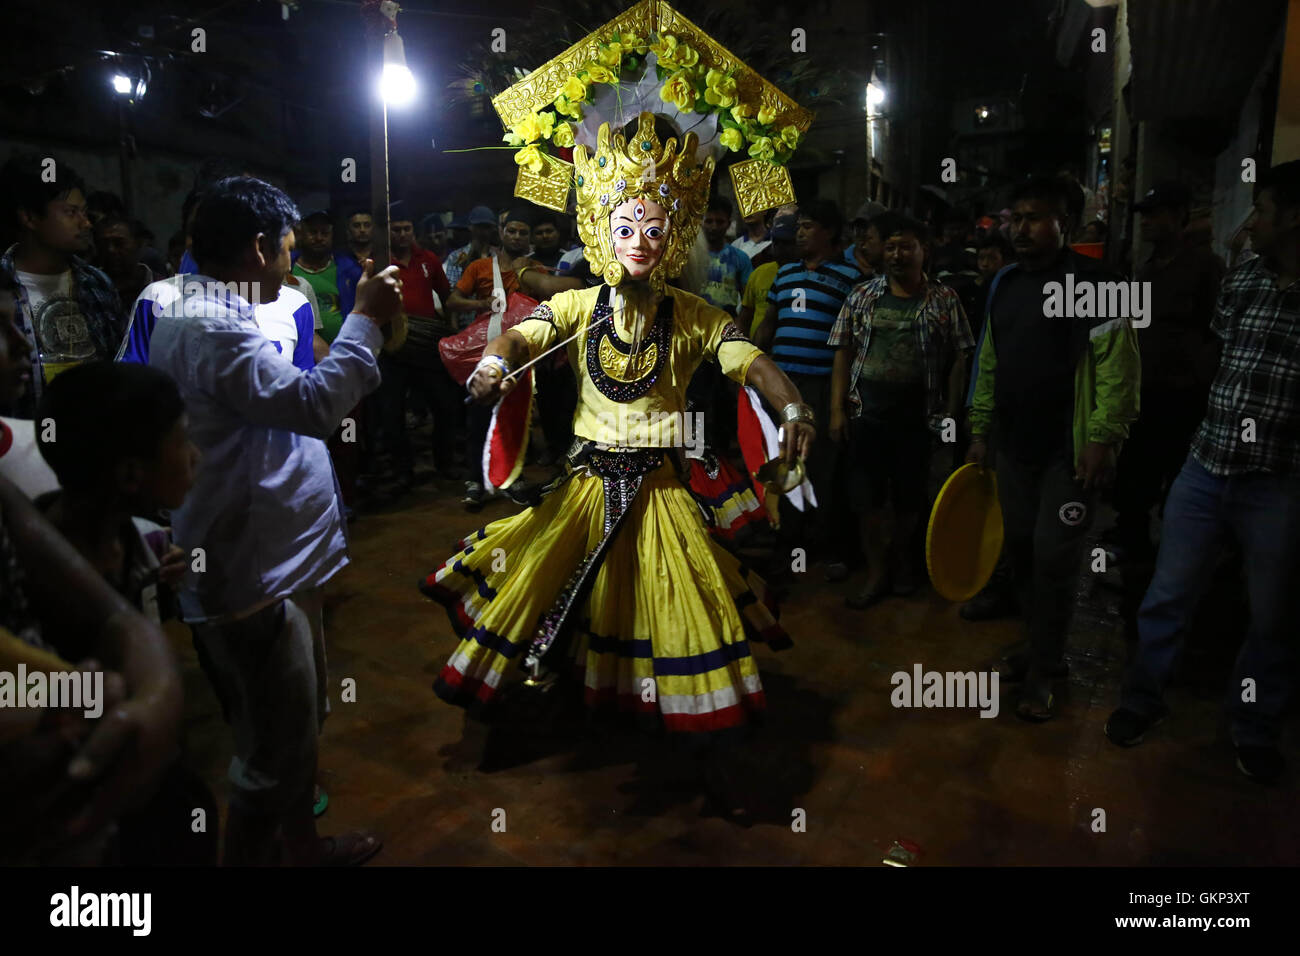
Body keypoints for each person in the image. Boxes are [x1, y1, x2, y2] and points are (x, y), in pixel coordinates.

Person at [421, 113, 814, 819]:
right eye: (625, 227)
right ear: (604, 229)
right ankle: (516, 720)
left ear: (675, 236)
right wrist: (491, 361)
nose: (639, 243)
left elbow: (754, 364)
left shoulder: (696, 314)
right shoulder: (573, 304)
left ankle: (714, 754)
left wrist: (793, 411)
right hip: (582, 485)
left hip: (662, 489)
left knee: (688, 613)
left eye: (655, 229)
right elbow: (519, 336)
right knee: (538, 599)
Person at [146, 175, 401, 865]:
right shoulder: (209, 326)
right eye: (288, 248)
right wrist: (366, 318)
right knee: (268, 757)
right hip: (251, 572)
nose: (292, 262)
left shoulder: (215, 312)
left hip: (281, 558)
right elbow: (316, 406)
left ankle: (303, 847)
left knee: (298, 729)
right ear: (259, 248)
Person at [1105, 160, 1300, 784]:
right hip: (1207, 462)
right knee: (1167, 594)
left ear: (1293, 217)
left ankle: (1254, 725)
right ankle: (1143, 698)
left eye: (1262, 210)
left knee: (1272, 616)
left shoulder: (1209, 268)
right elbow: (1215, 354)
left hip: (1277, 481)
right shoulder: (1243, 277)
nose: (1249, 223)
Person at [967, 176, 1140, 721]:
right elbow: (990, 361)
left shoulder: (1099, 281)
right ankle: (1038, 646)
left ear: (1065, 222)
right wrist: (979, 427)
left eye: (1034, 217)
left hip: (1070, 454)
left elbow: (1119, 367)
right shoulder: (1007, 284)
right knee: (1019, 549)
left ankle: (1044, 670)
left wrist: (1103, 437)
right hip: (1016, 447)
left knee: (1054, 557)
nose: (1020, 228)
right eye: (1014, 218)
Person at [830, 213, 974, 607]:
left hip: (918, 416)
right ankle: (877, 571)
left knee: (911, 496)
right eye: (890, 247)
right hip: (866, 415)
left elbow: (962, 356)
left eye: (906, 246)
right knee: (867, 498)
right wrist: (837, 411)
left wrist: (952, 409)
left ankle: (904, 562)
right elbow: (842, 351)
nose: (897, 255)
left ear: (924, 251)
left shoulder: (945, 299)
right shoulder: (862, 295)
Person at [1106, 182, 1225, 563]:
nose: (1147, 223)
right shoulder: (1147, 269)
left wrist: (1199, 375)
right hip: (1146, 394)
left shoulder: (1204, 266)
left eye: (1155, 214)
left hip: (1184, 398)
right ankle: (1134, 544)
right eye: (1143, 216)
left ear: (1178, 217)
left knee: (1179, 480)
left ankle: (1180, 552)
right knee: (1134, 478)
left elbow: (1220, 329)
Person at [34, 362, 198, 624]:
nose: (195, 456)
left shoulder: (150, 547)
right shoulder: (27, 576)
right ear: (130, 474)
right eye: (184, 440)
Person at [754, 199, 864, 575]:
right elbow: (768, 326)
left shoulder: (850, 279)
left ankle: (828, 547)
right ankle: (789, 547)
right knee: (784, 464)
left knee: (822, 467)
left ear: (830, 232)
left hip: (822, 387)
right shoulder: (783, 276)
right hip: (783, 388)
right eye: (798, 227)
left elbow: (852, 346)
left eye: (807, 226)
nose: (799, 233)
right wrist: (750, 367)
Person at [0, 153, 125, 416]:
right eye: (71, 212)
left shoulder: (96, 284)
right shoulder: (4, 287)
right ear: (30, 218)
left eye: (84, 212)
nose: (87, 223)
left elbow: (120, 362)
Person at [446, 207, 536, 508]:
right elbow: (452, 302)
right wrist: (482, 302)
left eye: (523, 232)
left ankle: (513, 478)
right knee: (478, 416)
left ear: (529, 238)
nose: (517, 236)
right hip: (484, 350)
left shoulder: (535, 270)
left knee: (515, 414)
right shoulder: (480, 268)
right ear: (501, 233)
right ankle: (476, 480)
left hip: (521, 353)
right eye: (511, 231)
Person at [292, 209, 361, 344]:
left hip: (341, 352)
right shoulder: (286, 269)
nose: (319, 238)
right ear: (301, 234)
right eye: (313, 232)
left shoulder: (350, 270)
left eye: (325, 233)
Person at [738, 213, 798, 339]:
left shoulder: (805, 276)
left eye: (786, 243)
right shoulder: (759, 273)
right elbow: (744, 320)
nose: (780, 248)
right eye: (776, 242)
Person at [92, 216, 154, 322]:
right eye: (104, 244)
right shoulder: (89, 288)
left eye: (119, 243)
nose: (110, 250)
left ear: (139, 244)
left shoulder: (161, 286)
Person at [700, 197, 753, 316]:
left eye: (719, 222)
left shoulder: (740, 258)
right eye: (709, 221)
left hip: (726, 326)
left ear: (728, 224)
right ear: (701, 222)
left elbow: (748, 303)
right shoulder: (689, 257)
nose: (714, 227)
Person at [844, 201, 886, 278]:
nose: (862, 235)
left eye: (867, 228)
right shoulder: (841, 260)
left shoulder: (889, 267)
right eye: (858, 228)